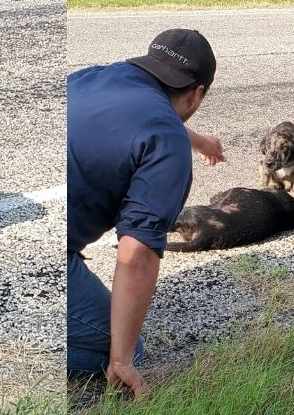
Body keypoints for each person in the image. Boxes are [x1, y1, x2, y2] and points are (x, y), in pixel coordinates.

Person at [66, 28, 225, 397]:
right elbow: (136, 253)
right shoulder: (167, 141)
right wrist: (121, 360)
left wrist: (197, 139)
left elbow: (139, 118)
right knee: (125, 346)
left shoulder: (94, 76)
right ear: (197, 93)